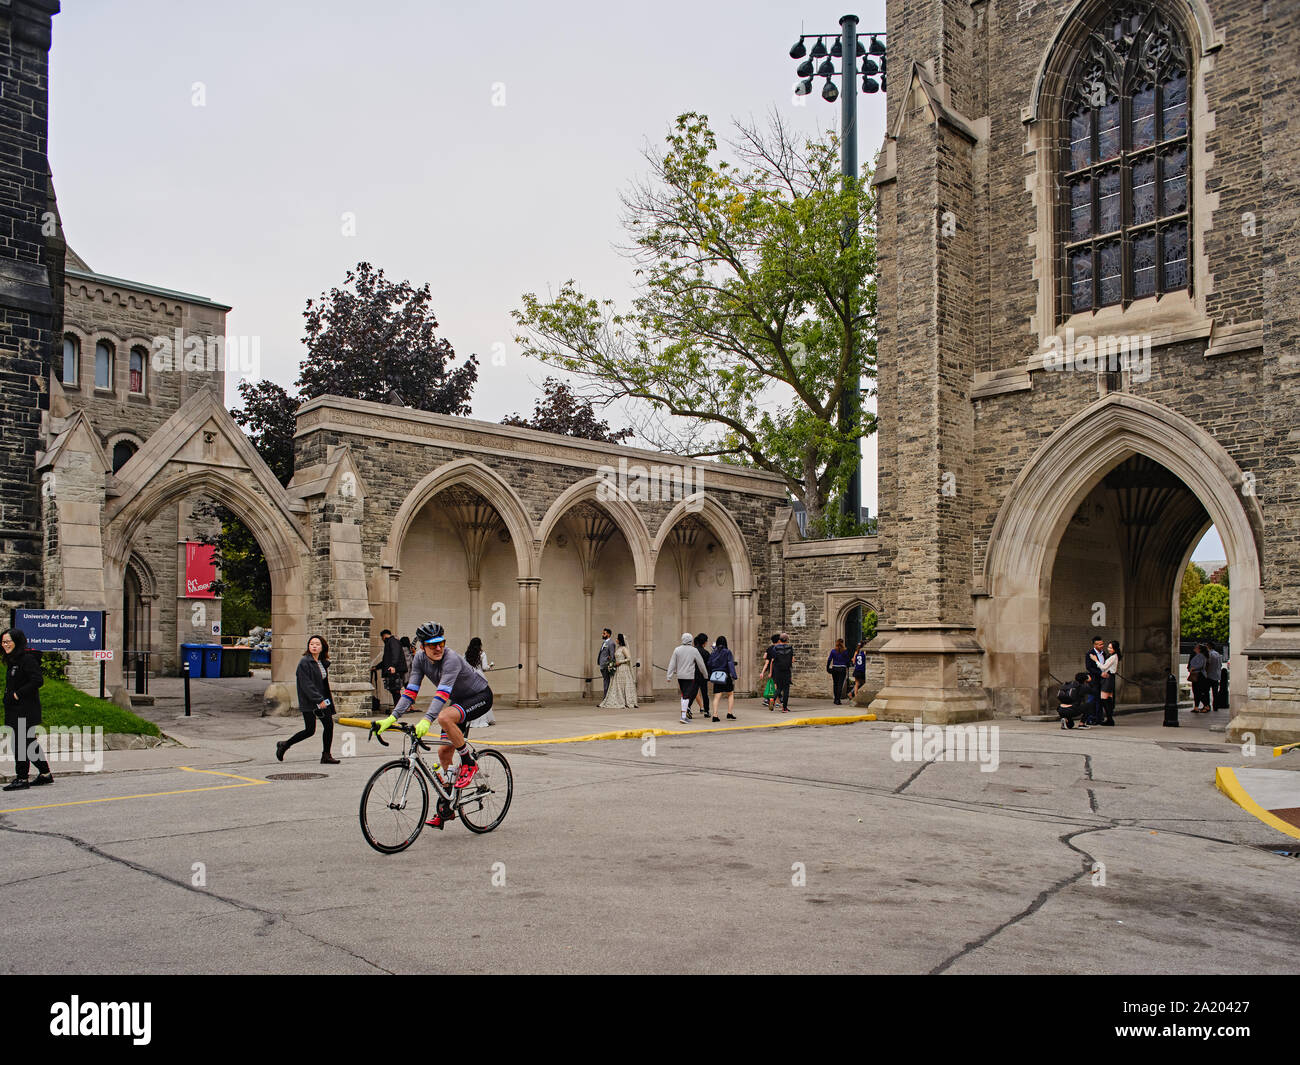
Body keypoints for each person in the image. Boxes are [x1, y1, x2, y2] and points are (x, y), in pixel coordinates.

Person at [376, 621, 494, 830]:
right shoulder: (419, 659)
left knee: (444, 717)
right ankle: (446, 809)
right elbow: (411, 692)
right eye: (432, 645)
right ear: (422, 646)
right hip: (459, 701)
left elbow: (442, 694)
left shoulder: (451, 659)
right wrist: (391, 718)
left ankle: (469, 762)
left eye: (441, 643)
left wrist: (426, 720)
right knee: (443, 754)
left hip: (480, 695)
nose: (438, 648)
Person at [2, 628, 53, 791]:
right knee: (28, 743)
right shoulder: (13, 660)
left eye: (8, 641)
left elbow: (37, 680)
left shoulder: (27, 659)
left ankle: (22, 778)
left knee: (20, 744)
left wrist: (17, 694)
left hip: (25, 710)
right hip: (15, 709)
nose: (5, 645)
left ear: (17, 641)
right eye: (3, 642)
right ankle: (45, 774)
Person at [278, 635, 338, 764]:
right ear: (308, 647)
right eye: (311, 644)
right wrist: (318, 699)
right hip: (311, 701)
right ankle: (285, 744)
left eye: (317, 644)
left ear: (322, 647)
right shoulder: (304, 662)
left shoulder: (321, 662)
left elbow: (321, 683)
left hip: (323, 701)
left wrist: (324, 700)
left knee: (329, 725)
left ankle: (326, 755)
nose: (314, 646)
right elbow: (306, 684)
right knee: (310, 730)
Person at [666, 633, 708, 724]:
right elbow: (701, 664)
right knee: (686, 696)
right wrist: (705, 675)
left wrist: (669, 675)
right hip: (689, 676)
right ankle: (683, 717)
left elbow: (672, 663)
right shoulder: (694, 650)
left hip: (680, 676)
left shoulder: (677, 650)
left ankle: (683, 715)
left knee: (684, 695)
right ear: (691, 640)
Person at [463, 637, 497, 726]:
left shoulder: (466, 654)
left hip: (469, 676)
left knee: (471, 697)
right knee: (483, 696)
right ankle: (483, 719)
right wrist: (491, 666)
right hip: (479, 677)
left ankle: (471, 718)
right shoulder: (482, 653)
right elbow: (485, 668)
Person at [600, 633, 638, 709]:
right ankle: (619, 699)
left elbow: (629, 658)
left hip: (623, 668)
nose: (616, 640)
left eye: (617, 638)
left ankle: (626, 701)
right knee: (618, 685)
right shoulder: (618, 648)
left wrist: (620, 662)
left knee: (623, 684)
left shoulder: (624, 649)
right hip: (618, 669)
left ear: (620, 640)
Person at [708, 635, 737, 721]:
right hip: (725, 676)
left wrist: (710, 675)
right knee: (730, 694)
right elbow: (730, 664)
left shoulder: (713, 653)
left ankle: (715, 715)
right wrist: (734, 675)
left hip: (716, 676)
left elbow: (709, 664)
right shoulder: (727, 652)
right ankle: (729, 713)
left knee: (717, 697)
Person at [378, 628, 405, 708]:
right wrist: (376, 667)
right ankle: (398, 708)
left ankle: (398, 709)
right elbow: (386, 659)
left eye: (382, 638)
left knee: (395, 690)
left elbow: (395, 654)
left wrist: (393, 666)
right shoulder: (392, 642)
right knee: (394, 690)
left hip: (394, 671)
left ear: (384, 636)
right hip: (394, 669)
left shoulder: (392, 642)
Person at [1097, 640, 1120, 726]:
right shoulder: (1112, 656)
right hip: (1110, 677)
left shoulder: (1113, 657)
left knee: (1104, 699)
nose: (1109, 649)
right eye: (1108, 647)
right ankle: (1110, 719)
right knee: (1108, 699)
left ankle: (1110, 719)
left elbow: (1103, 667)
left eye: (1111, 647)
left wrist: (1096, 660)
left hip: (1108, 678)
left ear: (1115, 648)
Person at [770, 632, 794, 713]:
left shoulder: (775, 648)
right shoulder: (790, 648)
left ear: (780, 639)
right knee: (786, 689)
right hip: (786, 670)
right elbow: (792, 660)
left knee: (779, 687)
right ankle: (784, 708)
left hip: (778, 670)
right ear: (787, 640)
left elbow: (773, 660)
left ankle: (773, 699)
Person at [1085, 636, 1107, 726]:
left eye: (1102, 644)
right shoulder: (1090, 653)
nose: (1102, 645)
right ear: (1095, 645)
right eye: (1099, 644)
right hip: (1094, 679)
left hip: (1103, 679)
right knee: (1092, 699)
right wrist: (1099, 673)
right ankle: (1090, 718)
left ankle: (1099, 718)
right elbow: (1089, 667)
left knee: (1100, 699)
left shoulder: (1104, 653)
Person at [691, 633, 712, 720]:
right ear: (704, 642)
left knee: (693, 693)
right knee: (704, 694)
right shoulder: (706, 652)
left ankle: (688, 708)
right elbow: (709, 665)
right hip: (703, 675)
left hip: (694, 675)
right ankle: (706, 711)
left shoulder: (692, 651)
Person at [826, 638, 850, 705]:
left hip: (835, 668)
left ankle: (835, 698)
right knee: (840, 685)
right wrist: (848, 667)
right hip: (842, 668)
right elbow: (847, 661)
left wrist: (827, 667)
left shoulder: (833, 651)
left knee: (835, 684)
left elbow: (829, 659)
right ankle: (838, 700)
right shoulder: (845, 651)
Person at [760, 633, 779, 711]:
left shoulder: (769, 649)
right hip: (777, 669)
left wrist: (762, 672)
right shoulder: (778, 648)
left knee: (772, 685)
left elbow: (766, 660)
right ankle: (775, 701)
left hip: (771, 670)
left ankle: (768, 699)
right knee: (776, 686)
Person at [1189, 643, 1210, 713]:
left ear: (1199, 649)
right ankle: (1196, 707)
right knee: (1196, 691)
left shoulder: (1200, 656)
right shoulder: (1200, 655)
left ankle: (1206, 705)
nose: (1194, 648)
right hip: (1199, 675)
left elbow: (1200, 665)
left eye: (1196, 647)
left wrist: (1193, 668)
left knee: (1198, 691)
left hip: (1199, 675)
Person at [596, 628, 616, 699]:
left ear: (608, 634)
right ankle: (606, 697)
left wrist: (610, 665)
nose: (602, 634)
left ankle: (606, 698)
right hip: (602, 664)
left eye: (604, 633)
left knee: (606, 681)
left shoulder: (611, 643)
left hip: (606, 665)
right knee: (605, 681)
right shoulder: (604, 643)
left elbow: (612, 655)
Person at [1206, 642, 1224, 712]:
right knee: (1215, 692)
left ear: (1209, 647)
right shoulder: (1218, 654)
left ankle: (1207, 706)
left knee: (1207, 691)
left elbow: (1208, 664)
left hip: (1209, 675)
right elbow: (1220, 664)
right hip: (1216, 675)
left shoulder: (1210, 654)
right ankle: (1215, 706)